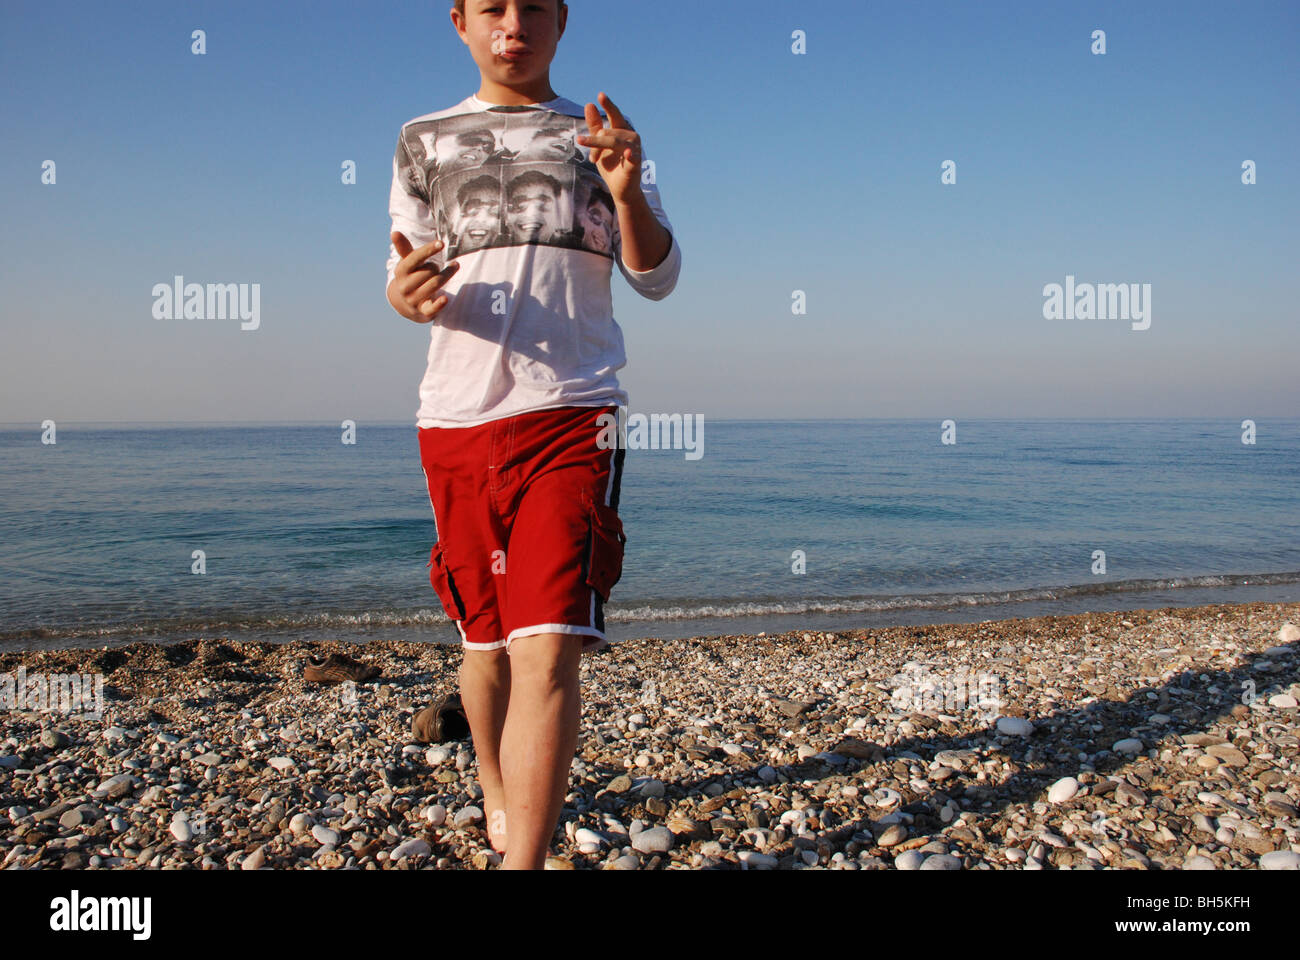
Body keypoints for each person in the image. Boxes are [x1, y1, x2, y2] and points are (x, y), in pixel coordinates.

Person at [384, 0, 682, 871]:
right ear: (461, 23)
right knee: (486, 647)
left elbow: (657, 276)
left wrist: (626, 191)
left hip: (572, 409)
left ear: (560, 21)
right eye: (491, 8)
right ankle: (492, 777)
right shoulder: (420, 138)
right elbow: (403, 277)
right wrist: (404, 297)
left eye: (531, 7)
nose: (511, 22)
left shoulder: (599, 139)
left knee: (547, 645)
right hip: (455, 418)